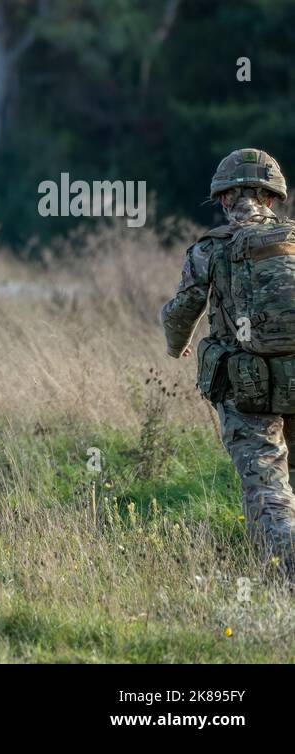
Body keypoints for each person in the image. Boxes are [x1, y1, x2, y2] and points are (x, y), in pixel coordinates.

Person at [161, 148, 295, 569]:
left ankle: (284, 570)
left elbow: (182, 310)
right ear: (272, 197)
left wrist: (175, 343)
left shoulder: (211, 249)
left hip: (248, 387)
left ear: (223, 199)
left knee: (267, 485)